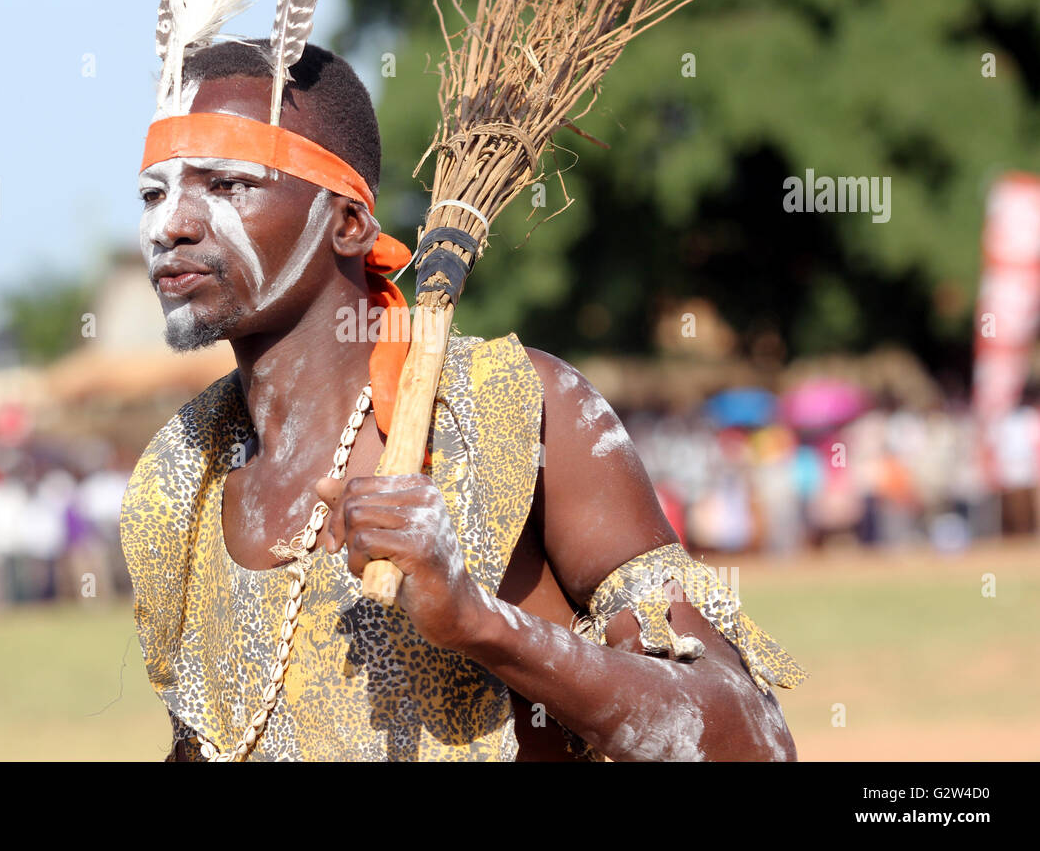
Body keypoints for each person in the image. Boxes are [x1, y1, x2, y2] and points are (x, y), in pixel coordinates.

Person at [120, 39, 805, 761]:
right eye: (153, 193)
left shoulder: (512, 410)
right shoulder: (179, 481)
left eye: (227, 185)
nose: (172, 225)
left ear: (349, 224)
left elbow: (749, 743)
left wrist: (477, 621)